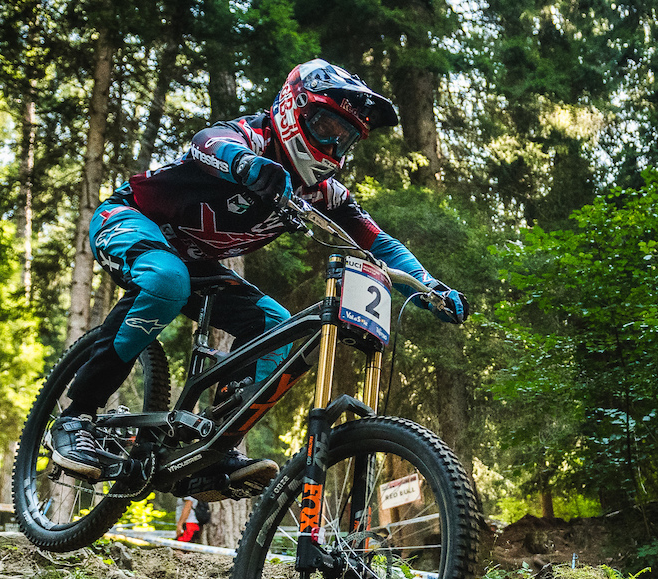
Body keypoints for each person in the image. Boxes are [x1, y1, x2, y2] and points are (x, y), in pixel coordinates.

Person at [49, 59, 470, 495]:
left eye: (343, 137)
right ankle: (76, 416)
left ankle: (211, 449)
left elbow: (377, 242)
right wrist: (248, 165)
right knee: (165, 280)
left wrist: (429, 286)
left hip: (195, 264)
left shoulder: (323, 191)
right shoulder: (255, 136)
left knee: (278, 328)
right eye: (325, 124)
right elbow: (208, 141)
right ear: (294, 108)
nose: (331, 142)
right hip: (129, 219)